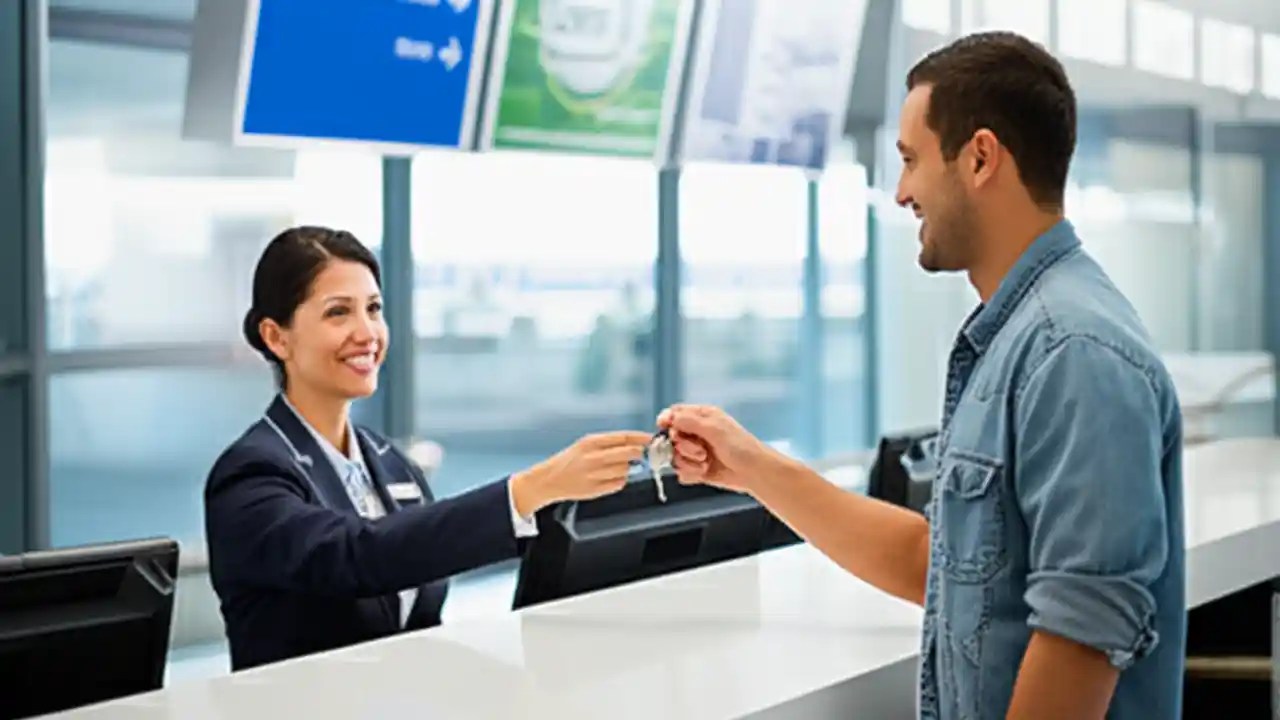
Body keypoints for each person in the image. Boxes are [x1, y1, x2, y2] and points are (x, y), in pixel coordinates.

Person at [659, 32, 1184, 720]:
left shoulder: (1073, 351)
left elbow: (1080, 638)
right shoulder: (1021, 337)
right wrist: (751, 466)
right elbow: (932, 563)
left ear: (981, 158)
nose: (902, 191)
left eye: (910, 160)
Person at [205, 226, 648, 671]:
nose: (367, 332)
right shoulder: (251, 475)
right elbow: (360, 557)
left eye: (373, 309)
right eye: (338, 313)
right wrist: (529, 490)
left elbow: (420, 591)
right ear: (276, 337)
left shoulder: (391, 463)